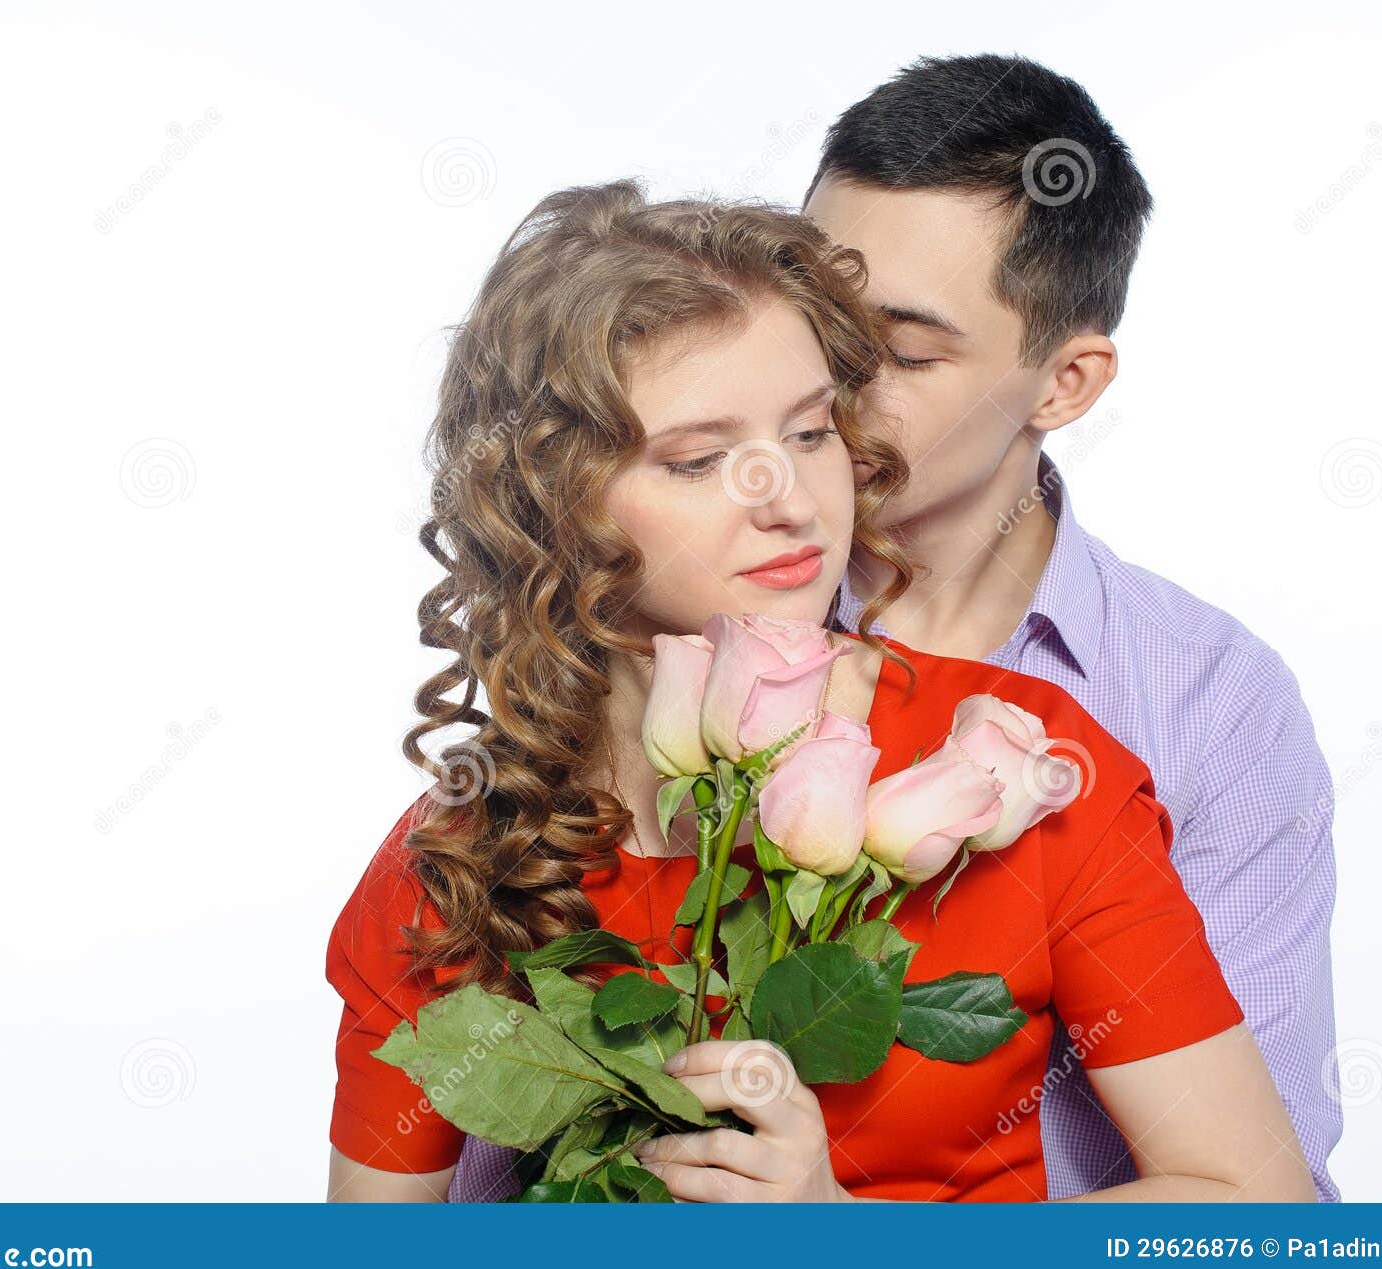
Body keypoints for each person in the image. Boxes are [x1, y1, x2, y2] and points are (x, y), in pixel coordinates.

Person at [323, 180, 1314, 1203]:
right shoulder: (454, 863)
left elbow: (1257, 1210)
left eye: (808, 434)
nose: (788, 501)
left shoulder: (1005, 762)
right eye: (701, 460)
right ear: (550, 511)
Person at [800, 53, 1341, 1200]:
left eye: (902, 352)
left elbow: (1261, 1218)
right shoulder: (695, 625)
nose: (829, 385)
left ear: (1065, 383)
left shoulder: (1209, 710)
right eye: (810, 319)